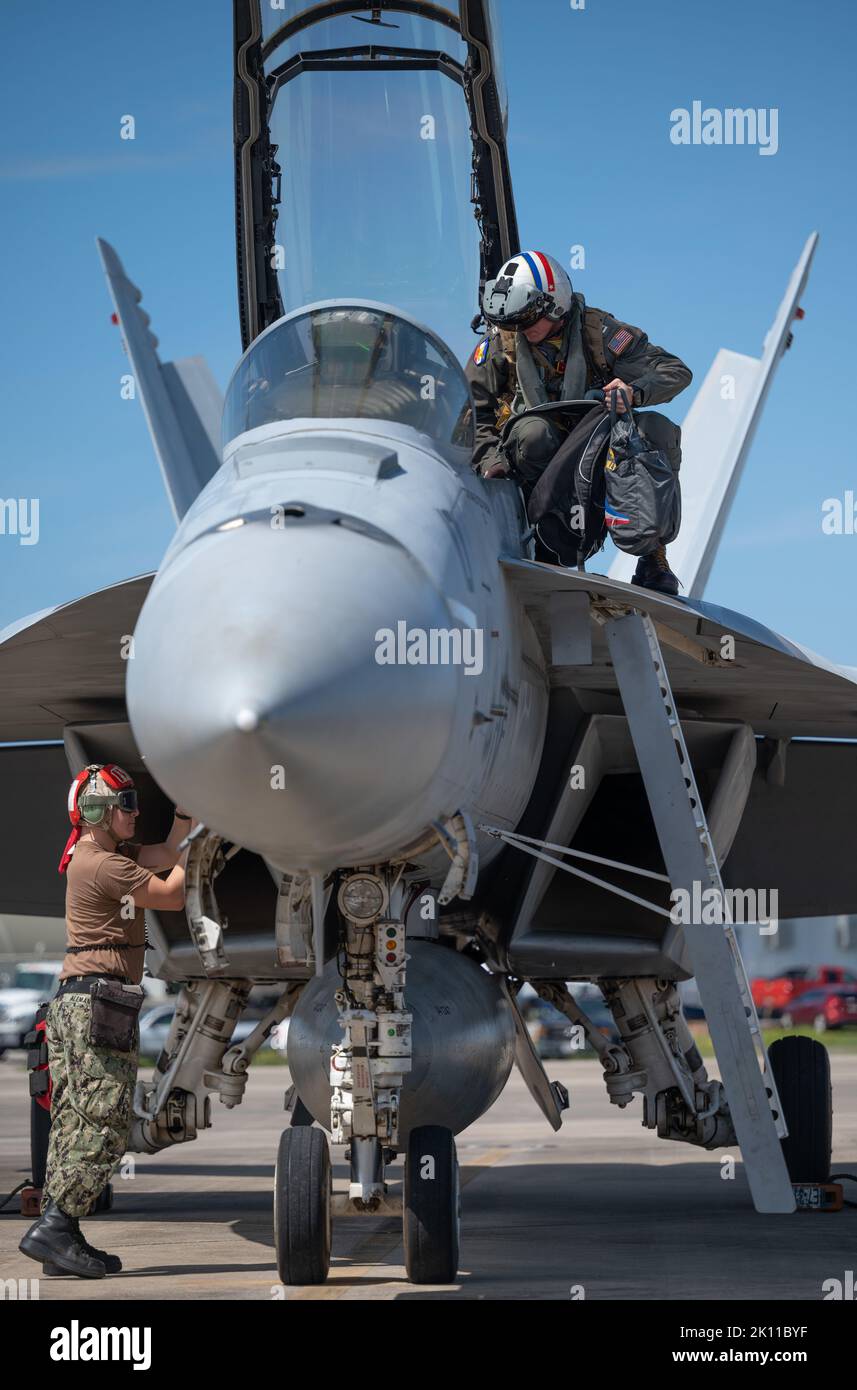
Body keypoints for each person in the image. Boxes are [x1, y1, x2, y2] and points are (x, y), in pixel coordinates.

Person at [19, 764, 194, 1279]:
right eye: (127, 805)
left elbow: (166, 852)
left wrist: (188, 818)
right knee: (105, 1119)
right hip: (98, 1003)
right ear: (97, 811)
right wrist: (208, 849)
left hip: (84, 1003)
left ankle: (62, 1235)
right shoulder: (103, 866)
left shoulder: (99, 854)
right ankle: (57, 1224)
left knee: (74, 1119)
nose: (135, 813)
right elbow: (173, 892)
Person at [465, 250, 692, 594]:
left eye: (526, 320)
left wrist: (633, 392)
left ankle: (652, 555)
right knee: (534, 434)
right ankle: (543, 543)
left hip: (597, 455)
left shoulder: (598, 334)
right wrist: (490, 459)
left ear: (553, 306)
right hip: (533, 466)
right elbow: (469, 413)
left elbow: (675, 372)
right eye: (512, 323)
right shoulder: (502, 344)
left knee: (656, 431)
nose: (519, 331)